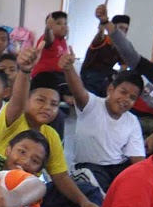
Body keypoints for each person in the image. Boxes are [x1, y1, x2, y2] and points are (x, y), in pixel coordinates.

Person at [0, 54, 100, 207]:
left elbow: (60, 177)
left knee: (87, 192)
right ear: (27, 100)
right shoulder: (13, 117)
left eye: (54, 104)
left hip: (30, 192)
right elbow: (17, 101)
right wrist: (25, 70)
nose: (47, 107)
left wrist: (83, 202)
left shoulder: (50, 134)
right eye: (40, 100)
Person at [59, 54, 145, 190]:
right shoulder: (91, 104)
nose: (126, 99)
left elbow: (137, 159)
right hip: (89, 167)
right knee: (97, 188)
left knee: (134, 182)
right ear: (110, 89)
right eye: (123, 92)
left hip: (117, 168)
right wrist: (69, 68)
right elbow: (78, 91)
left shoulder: (132, 121)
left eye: (132, 98)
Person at [31, 10, 70, 75]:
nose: (64, 26)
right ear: (50, 25)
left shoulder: (63, 41)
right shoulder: (49, 38)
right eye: (58, 23)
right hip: (44, 74)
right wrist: (48, 29)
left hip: (58, 75)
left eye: (65, 23)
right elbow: (48, 39)